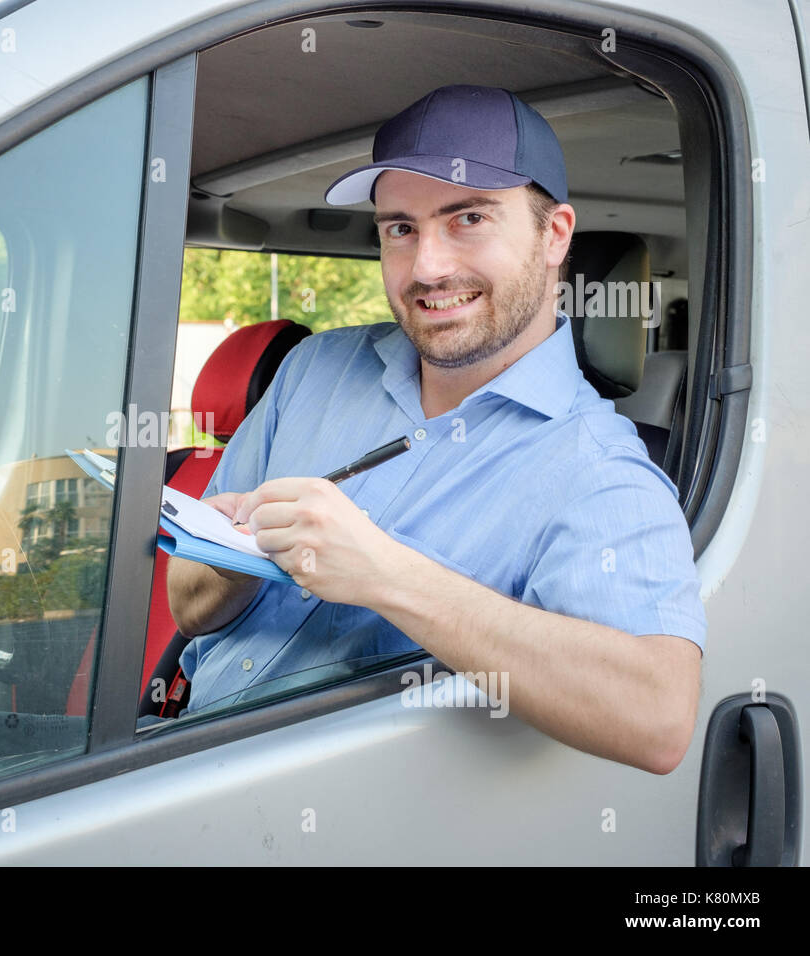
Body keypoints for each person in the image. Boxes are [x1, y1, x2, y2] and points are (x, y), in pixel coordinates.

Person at [166, 85, 706, 775]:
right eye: (400, 228)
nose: (427, 267)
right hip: (168, 764)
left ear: (555, 235)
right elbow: (187, 604)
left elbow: (658, 719)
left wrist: (387, 575)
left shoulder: (598, 470)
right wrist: (242, 554)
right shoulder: (314, 369)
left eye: (469, 218)